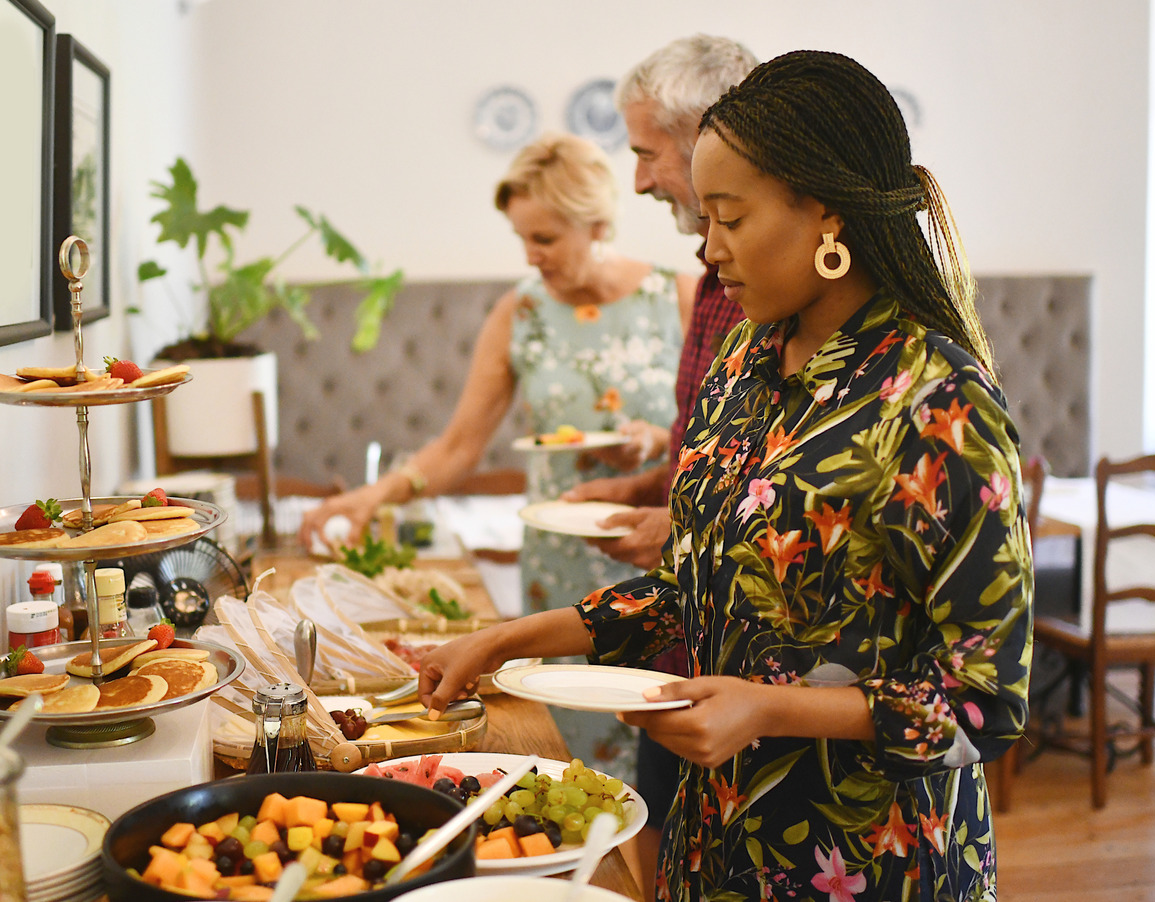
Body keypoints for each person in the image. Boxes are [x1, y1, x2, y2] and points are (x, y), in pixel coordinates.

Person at [418, 50, 1032, 902]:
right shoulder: (747, 359)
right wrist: (510, 640)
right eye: (705, 217)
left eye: (731, 218)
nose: (709, 248)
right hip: (718, 841)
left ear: (823, 213)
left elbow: (984, 700)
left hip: (866, 861)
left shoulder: (938, 403)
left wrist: (769, 708)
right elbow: (693, 590)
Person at [297, 131, 694, 616]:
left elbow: (723, 438)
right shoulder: (520, 311)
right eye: (522, 238)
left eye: (544, 238)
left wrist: (657, 440)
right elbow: (458, 448)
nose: (530, 256)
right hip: (557, 563)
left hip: (662, 550)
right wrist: (372, 498)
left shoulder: (681, 298)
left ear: (598, 224)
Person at [557, 34, 757, 896]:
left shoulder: (778, 293)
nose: (636, 180)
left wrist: (686, 520)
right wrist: (652, 491)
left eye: (645, 152)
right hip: (680, 637)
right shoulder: (720, 273)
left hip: (745, 686)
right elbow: (712, 454)